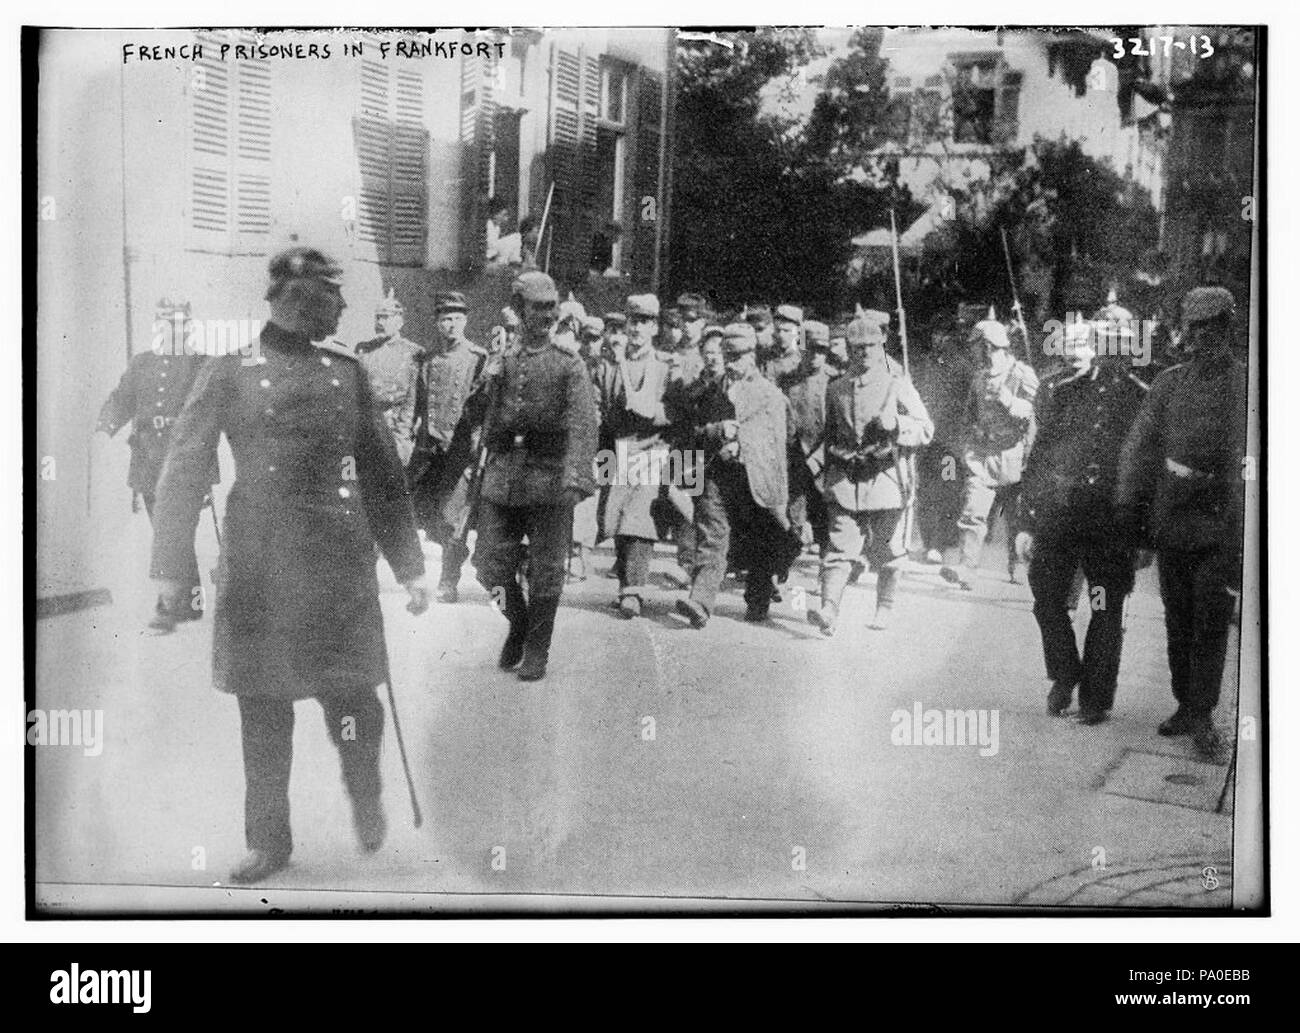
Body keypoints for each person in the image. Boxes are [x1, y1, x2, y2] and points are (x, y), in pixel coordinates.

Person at [149, 247, 430, 885]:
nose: (345, 307)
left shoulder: (346, 371)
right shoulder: (230, 371)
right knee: (263, 707)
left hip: (337, 563)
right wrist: (170, 566)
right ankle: (269, 842)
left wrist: (409, 565)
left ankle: (366, 792)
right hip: (260, 567)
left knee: (354, 696)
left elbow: (383, 477)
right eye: (335, 295)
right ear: (304, 299)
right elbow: (184, 468)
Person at [1116, 286, 1248, 762]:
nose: (1201, 335)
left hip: (1221, 518)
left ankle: (1203, 711)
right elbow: (1139, 448)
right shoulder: (1170, 383)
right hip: (1174, 515)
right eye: (1194, 326)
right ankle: (1186, 702)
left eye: (1211, 325)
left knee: (1210, 617)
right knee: (1177, 615)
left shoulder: (1246, 384)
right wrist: (1132, 515)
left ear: (1228, 327)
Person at [1017, 313, 1150, 724]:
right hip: (1060, 517)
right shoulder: (1064, 391)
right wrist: (1025, 520)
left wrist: (1143, 535)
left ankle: (1095, 698)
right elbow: (1039, 457)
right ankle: (1064, 672)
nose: (1112, 356)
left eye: (1120, 348)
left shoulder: (1141, 397)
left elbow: (1147, 468)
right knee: (1047, 600)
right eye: (1106, 345)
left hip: (1111, 523)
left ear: (1129, 354)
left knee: (1104, 606)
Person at [473, 271, 600, 681]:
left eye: (551, 307)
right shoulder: (504, 360)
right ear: (519, 308)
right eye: (537, 307)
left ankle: (537, 648)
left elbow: (584, 424)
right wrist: (487, 378)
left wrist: (577, 478)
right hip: (503, 474)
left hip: (549, 479)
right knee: (488, 565)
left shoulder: (569, 363)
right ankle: (519, 623)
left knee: (546, 571)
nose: (546, 315)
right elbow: (478, 415)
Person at [97, 296, 219, 634]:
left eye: (180, 324)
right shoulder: (142, 364)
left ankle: (166, 606)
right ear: (158, 326)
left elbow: (209, 418)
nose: (173, 329)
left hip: (186, 463)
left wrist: (207, 471)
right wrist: (104, 430)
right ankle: (193, 603)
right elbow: (121, 399)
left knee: (173, 530)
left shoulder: (202, 364)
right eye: (167, 323)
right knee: (169, 530)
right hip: (148, 462)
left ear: (189, 327)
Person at [808, 312, 934, 635]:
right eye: (857, 347)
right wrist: (823, 472)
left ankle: (885, 607)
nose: (864, 353)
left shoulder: (898, 385)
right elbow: (831, 436)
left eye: (871, 346)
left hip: (886, 481)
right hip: (846, 480)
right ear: (849, 350)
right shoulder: (836, 389)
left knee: (889, 553)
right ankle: (828, 610)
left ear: (881, 346)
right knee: (838, 550)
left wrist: (898, 425)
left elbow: (926, 429)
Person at [675, 323, 789, 628]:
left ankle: (758, 599)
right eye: (729, 355)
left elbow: (780, 442)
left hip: (755, 480)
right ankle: (700, 602)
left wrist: (745, 447)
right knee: (713, 537)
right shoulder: (708, 392)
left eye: (739, 356)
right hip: (716, 476)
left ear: (753, 354)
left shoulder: (770, 395)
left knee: (761, 539)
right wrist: (715, 432)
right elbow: (691, 434)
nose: (733, 362)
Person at [941, 318, 1038, 590]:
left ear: (987, 346)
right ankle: (967, 568)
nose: (973, 351)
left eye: (975, 346)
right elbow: (969, 415)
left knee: (1016, 518)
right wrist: (967, 446)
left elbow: (1035, 411)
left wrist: (1007, 399)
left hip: (1013, 457)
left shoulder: (1022, 374)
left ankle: (1018, 564)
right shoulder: (980, 377)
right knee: (972, 513)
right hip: (982, 455)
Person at [594, 294, 675, 618]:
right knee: (613, 516)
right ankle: (626, 585)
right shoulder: (611, 366)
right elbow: (597, 405)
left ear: (655, 328)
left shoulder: (666, 366)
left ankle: (633, 590)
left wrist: (653, 412)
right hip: (617, 448)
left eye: (645, 322)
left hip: (652, 447)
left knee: (639, 517)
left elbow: (678, 407)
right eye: (634, 321)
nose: (638, 328)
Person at [408, 291, 489, 603]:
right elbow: (416, 405)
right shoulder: (427, 362)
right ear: (436, 323)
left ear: (465, 321)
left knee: (454, 520)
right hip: (430, 452)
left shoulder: (477, 359)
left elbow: (483, 409)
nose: (451, 325)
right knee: (428, 517)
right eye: (445, 319)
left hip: (461, 454)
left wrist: (476, 450)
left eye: (457, 318)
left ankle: (448, 581)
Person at [356, 290, 424, 467]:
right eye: (377, 317)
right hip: (365, 427)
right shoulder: (363, 349)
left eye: (386, 317)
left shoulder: (413, 353)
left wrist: (401, 437)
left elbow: (412, 399)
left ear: (399, 322)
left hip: (393, 428)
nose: (380, 322)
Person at [784, 320, 834, 558]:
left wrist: (819, 458)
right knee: (792, 521)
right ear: (801, 348)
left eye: (822, 350)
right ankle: (780, 576)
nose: (816, 355)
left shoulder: (834, 382)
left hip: (826, 462)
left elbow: (838, 428)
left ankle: (827, 575)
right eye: (811, 349)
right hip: (793, 460)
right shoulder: (787, 381)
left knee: (826, 522)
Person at [763, 303, 805, 388]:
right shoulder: (765, 357)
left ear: (797, 333)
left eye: (786, 331)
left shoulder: (803, 361)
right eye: (778, 330)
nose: (781, 335)